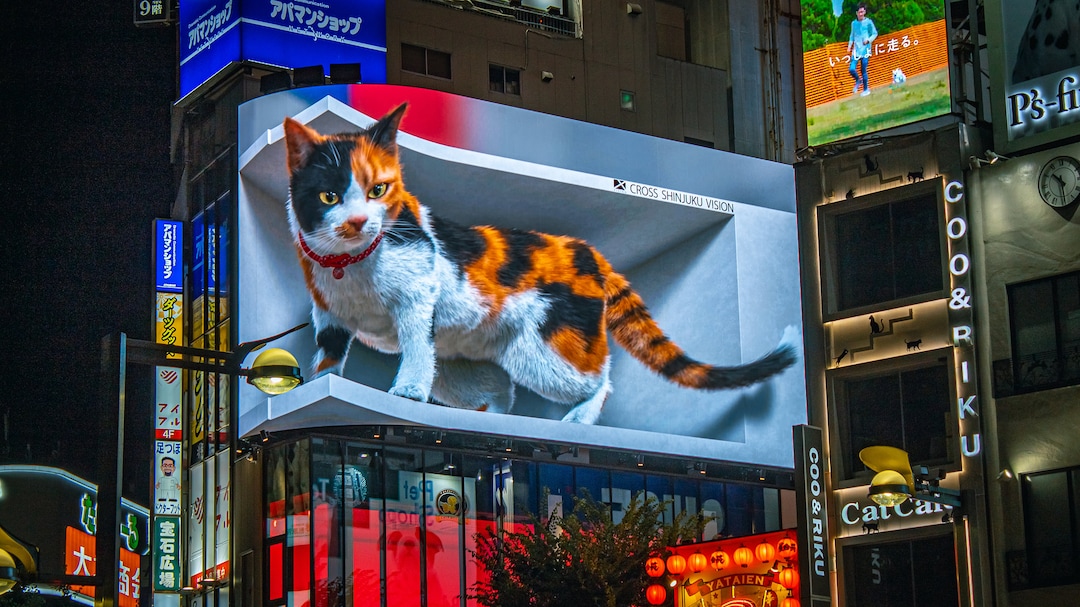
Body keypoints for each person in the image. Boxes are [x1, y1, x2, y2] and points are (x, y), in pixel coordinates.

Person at [847, 2, 878, 96]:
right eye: (859, 12)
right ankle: (858, 80)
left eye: (862, 12)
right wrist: (849, 46)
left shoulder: (868, 22)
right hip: (856, 50)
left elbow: (875, 33)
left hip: (865, 50)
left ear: (864, 12)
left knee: (863, 70)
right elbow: (852, 36)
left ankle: (866, 90)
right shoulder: (854, 23)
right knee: (851, 69)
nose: (861, 14)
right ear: (856, 13)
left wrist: (868, 40)